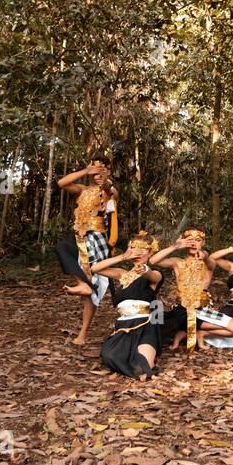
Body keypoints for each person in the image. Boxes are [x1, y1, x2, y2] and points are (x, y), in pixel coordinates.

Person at [54, 157, 119, 344]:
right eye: (95, 168)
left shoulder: (108, 190)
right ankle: (82, 284)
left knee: (93, 287)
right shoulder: (82, 190)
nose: (97, 172)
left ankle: (83, 333)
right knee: (61, 247)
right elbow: (62, 183)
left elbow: (112, 192)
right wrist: (85, 171)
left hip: (96, 238)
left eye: (102, 168)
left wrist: (106, 182)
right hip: (79, 237)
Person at [148, 228, 233, 351]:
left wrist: (204, 255)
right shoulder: (177, 262)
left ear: (203, 243)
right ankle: (182, 332)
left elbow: (209, 260)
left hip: (201, 311)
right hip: (181, 310)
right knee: (154, 321)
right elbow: (152, 261)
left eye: (198, 240)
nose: (194, 243)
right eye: (190, 240)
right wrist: (175, 246)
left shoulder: (208, 263)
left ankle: (200, 333)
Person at [94, 233, 166, 379]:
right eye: (133, 248)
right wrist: (122, 257)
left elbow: (153, 276)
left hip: (146, 326)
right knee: (108, 356)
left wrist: (145, 270)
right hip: (124, 325)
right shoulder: (123, 274)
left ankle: (147, 360)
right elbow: (95, 268)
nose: (137, 252)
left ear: (151, 252)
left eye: (142, 249)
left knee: (143, 369)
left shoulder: (155, 274)